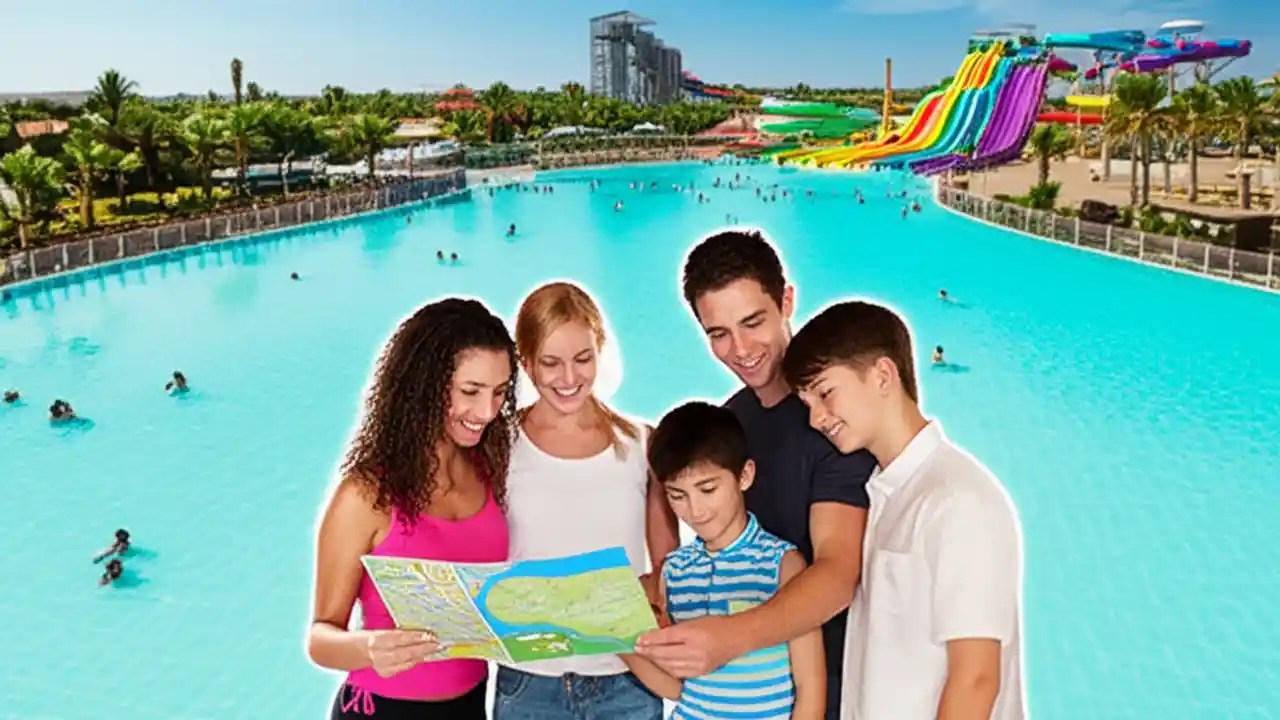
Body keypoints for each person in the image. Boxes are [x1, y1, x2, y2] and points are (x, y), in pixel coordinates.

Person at [636, 230, 875, 720]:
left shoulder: (836, 420)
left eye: (753, 322)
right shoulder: (727, 423)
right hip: (733, 691)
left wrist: (730, 638)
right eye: (718, 334)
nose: (740, 348)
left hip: (828, 692)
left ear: (786, 301)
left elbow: (838, 573)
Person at [782, 300, 1025, 720]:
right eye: (807, 404)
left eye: (825, 393)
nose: (816, 419)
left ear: (883, 376)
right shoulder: (888, 493)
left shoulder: (957, 502)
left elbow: (976, 678)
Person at [307, 298, 519, 720]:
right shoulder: (367, 495)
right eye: (470, 391)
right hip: (380, 710)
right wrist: (369, 647)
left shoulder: (492, 470)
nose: (487, 412)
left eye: (499, 392)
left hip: (471, 706)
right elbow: (321, 639)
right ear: (425, 386)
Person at [493, 282, 678, 720]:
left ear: (601, 350)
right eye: (551, 363)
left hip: (627, 681)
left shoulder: (642, 445)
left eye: (583, 358)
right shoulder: (499, 447)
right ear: (526, 363)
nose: (569, 378)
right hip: (529, 682)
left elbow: (669, 571)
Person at [624, 401, 826, 719]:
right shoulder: (674, 572)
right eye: (678, 495)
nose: (695, 510)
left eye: (707, 489)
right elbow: (680, 689)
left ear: (744, 475)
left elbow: (810, 688)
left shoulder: (782, 565)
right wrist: (620, 644)